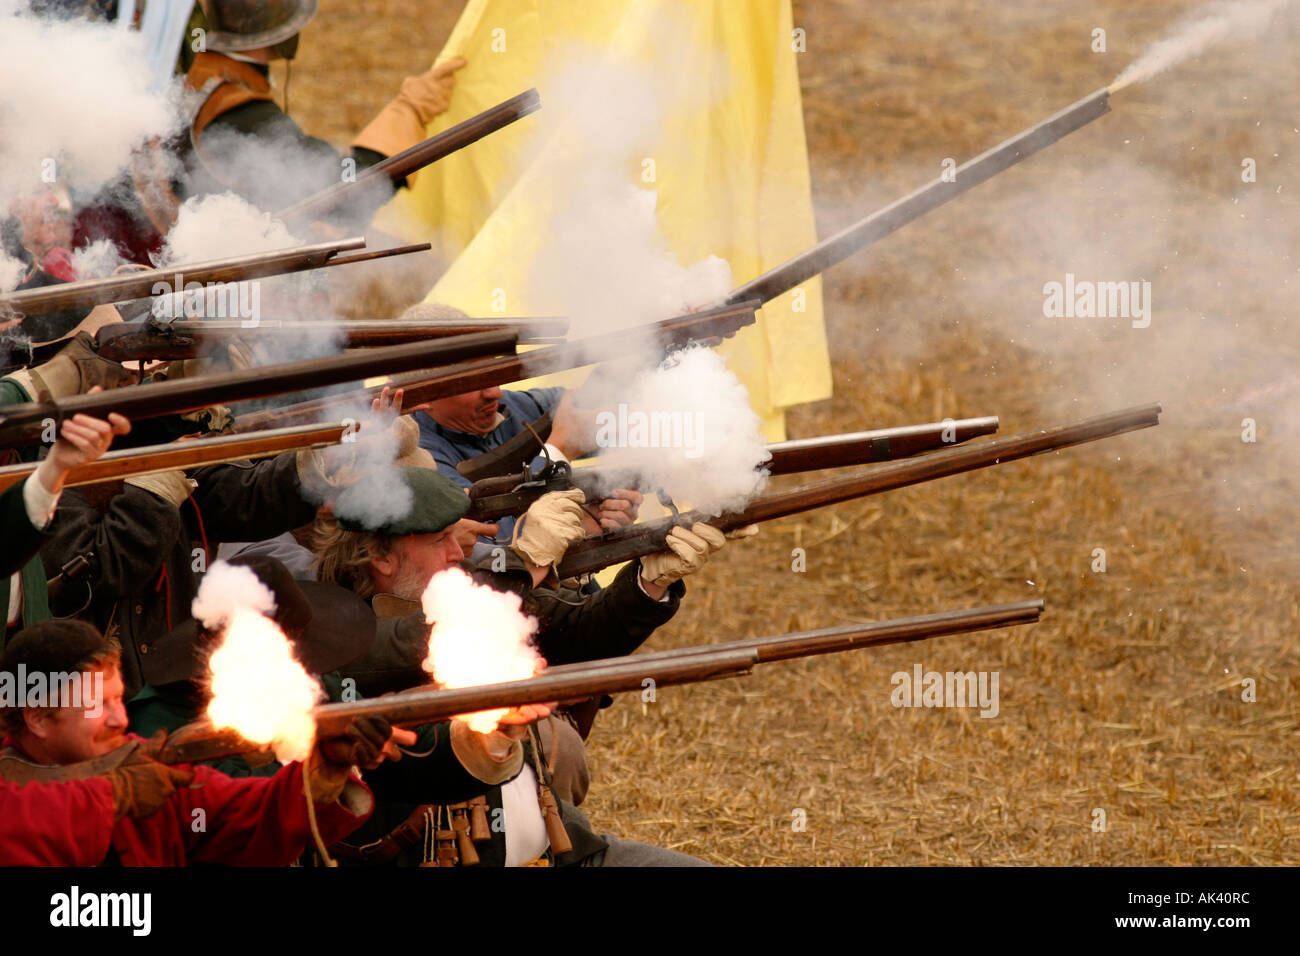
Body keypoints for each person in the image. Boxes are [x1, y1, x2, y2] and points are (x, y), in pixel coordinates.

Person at [313, 465, 735, 865]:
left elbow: (583, 632)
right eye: (440, 539)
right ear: (382, 558)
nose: (458, 551)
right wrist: (525, 562)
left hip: (561, 854)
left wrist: (648, 582)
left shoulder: (480, 595)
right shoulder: (335, 638)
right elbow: (413, 643)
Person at [0, 619, 377, 866]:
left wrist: (319, 773)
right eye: (97, 704)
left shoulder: (143, 766)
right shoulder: (16, 801)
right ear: (37, 718)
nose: (121, 718)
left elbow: (252, 813)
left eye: (117, 698)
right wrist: (114, 795)